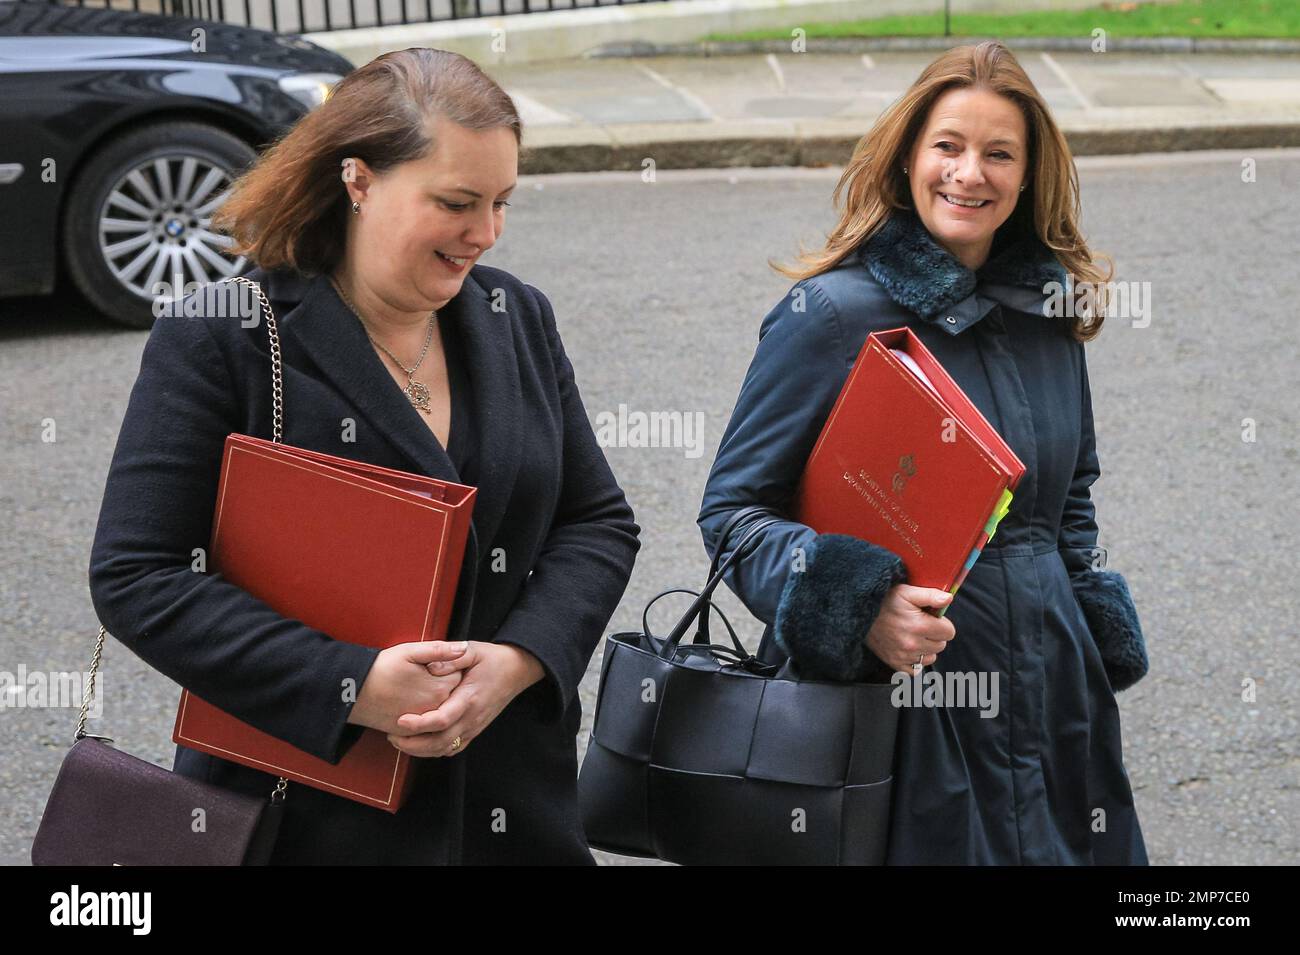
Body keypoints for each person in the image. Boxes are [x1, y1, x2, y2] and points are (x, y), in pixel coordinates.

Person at [88, 48, 640, 865]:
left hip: (513, 809)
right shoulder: (224, 330)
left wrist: (519, 660)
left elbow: (596, 521)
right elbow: (137, 574)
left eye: (501, 203)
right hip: (305, 816)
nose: (484, 235)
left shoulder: (516, 314)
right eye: (456, 202)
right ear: (358, 181)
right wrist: (351, 683)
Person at [697, 40, 1149, 865]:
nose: (969, 174)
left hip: (1055, 705)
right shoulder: (829, 315)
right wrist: (860, 608)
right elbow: (732, 516)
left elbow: (1069, 494)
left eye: (998, 154)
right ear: (909, 156)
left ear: (1028, 174)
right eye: (948, 146)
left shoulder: (1049, 313)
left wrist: (1082, 626)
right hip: (899, 721)